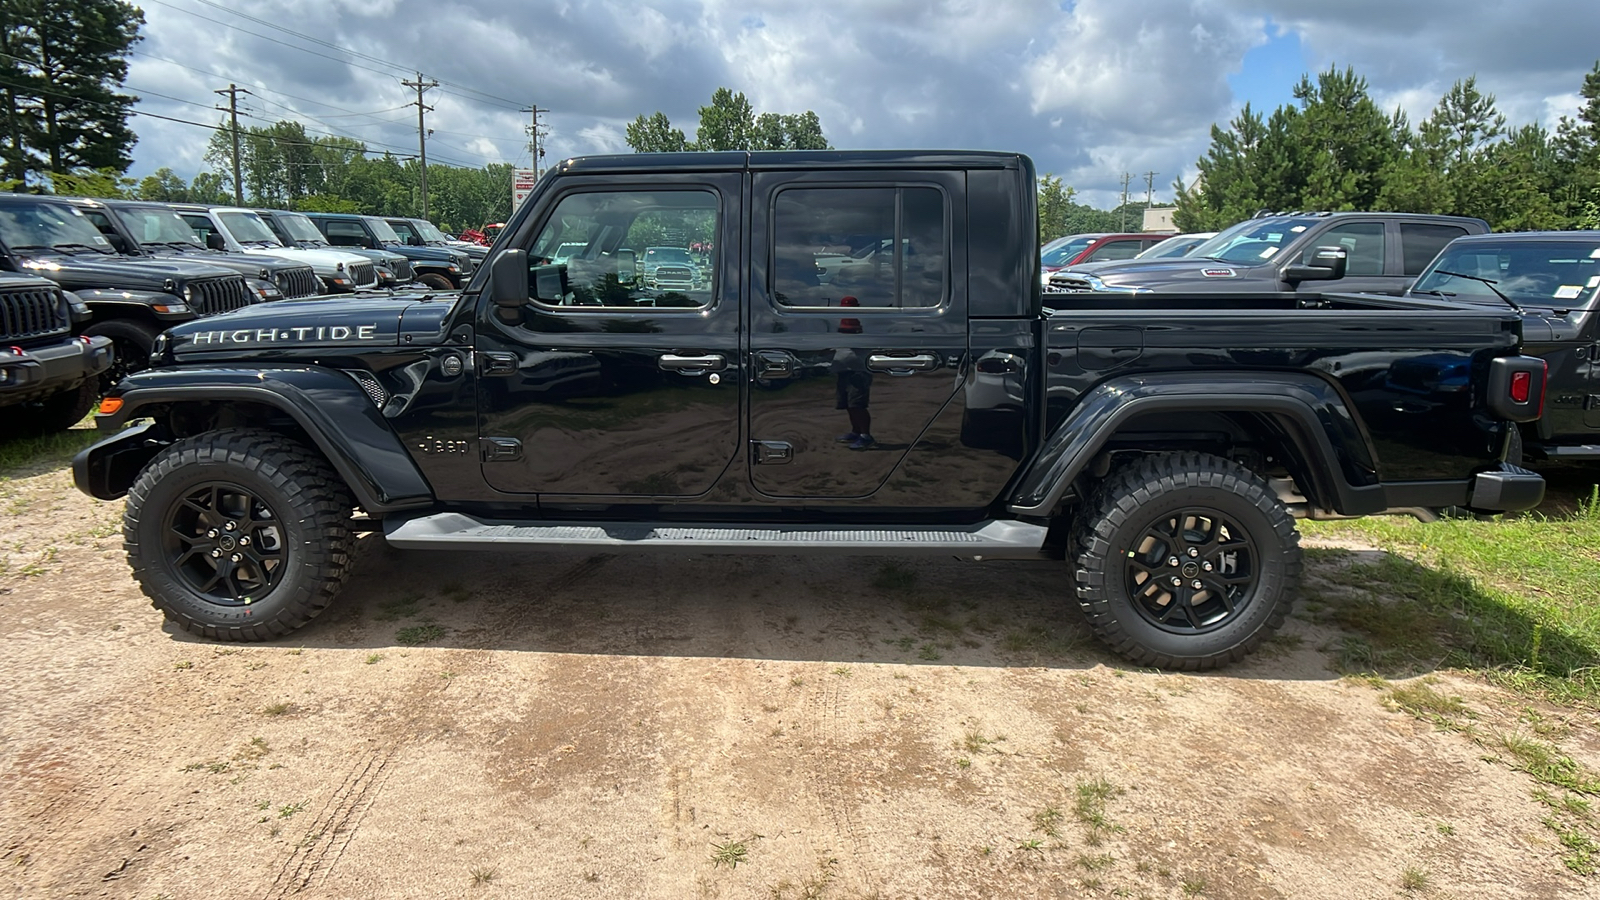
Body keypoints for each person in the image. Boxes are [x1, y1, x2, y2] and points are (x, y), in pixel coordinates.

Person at [832, 296, 873, 450]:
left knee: (857, 404)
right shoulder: (837, 320)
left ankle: (866, 435)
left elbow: (855, 336)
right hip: (844, 371)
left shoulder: (860, 320)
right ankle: (855, 431)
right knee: (849, 404)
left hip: (858, 372)